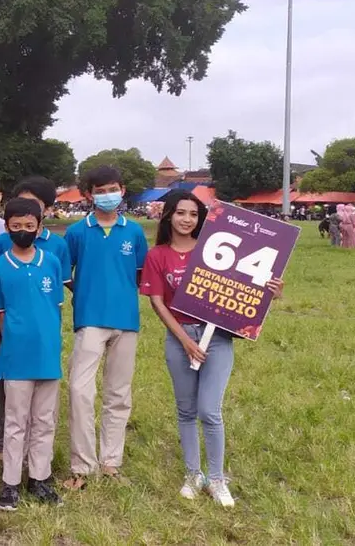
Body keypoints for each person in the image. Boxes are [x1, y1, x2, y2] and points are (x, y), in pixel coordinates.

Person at [140, 190, 284, 507]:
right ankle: (194, 474)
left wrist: (270, 291)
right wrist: (185, 341)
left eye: (193, 214)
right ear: (168, 216)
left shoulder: (213, 250)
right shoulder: (158, 255)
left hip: (216, 339)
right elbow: (157, 302)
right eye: (180, 213)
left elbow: (245, 290)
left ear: (201, 218)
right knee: (186, 411)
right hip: (180, 339)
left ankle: (217, 478)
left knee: (209, 411)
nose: (186, 219)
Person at [62, 165, 149, 491]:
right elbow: (64, 272)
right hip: (89, 320)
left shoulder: (135, 232)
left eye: (112, 188)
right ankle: (82, 465)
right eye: (99, 190)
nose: (106, 195)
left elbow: (140, 274)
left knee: (118, 393)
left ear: (122, 190)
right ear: (88, 194)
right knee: (80, 391)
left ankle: (111, 461)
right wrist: (83, 291)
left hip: (126, 321)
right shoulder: (76, 232)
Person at [0, 198, 66, 510]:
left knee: (44, 420)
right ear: (7, 228)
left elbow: (56, 310)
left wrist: (50, 344)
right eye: (16, 227)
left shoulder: (51, 262)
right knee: (15, 421)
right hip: (16, 357)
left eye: (30, 226)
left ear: (39, 227)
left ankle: (40, 478)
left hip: (47, 356)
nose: (23, 231)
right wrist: (11, 347)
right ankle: (10, 483)